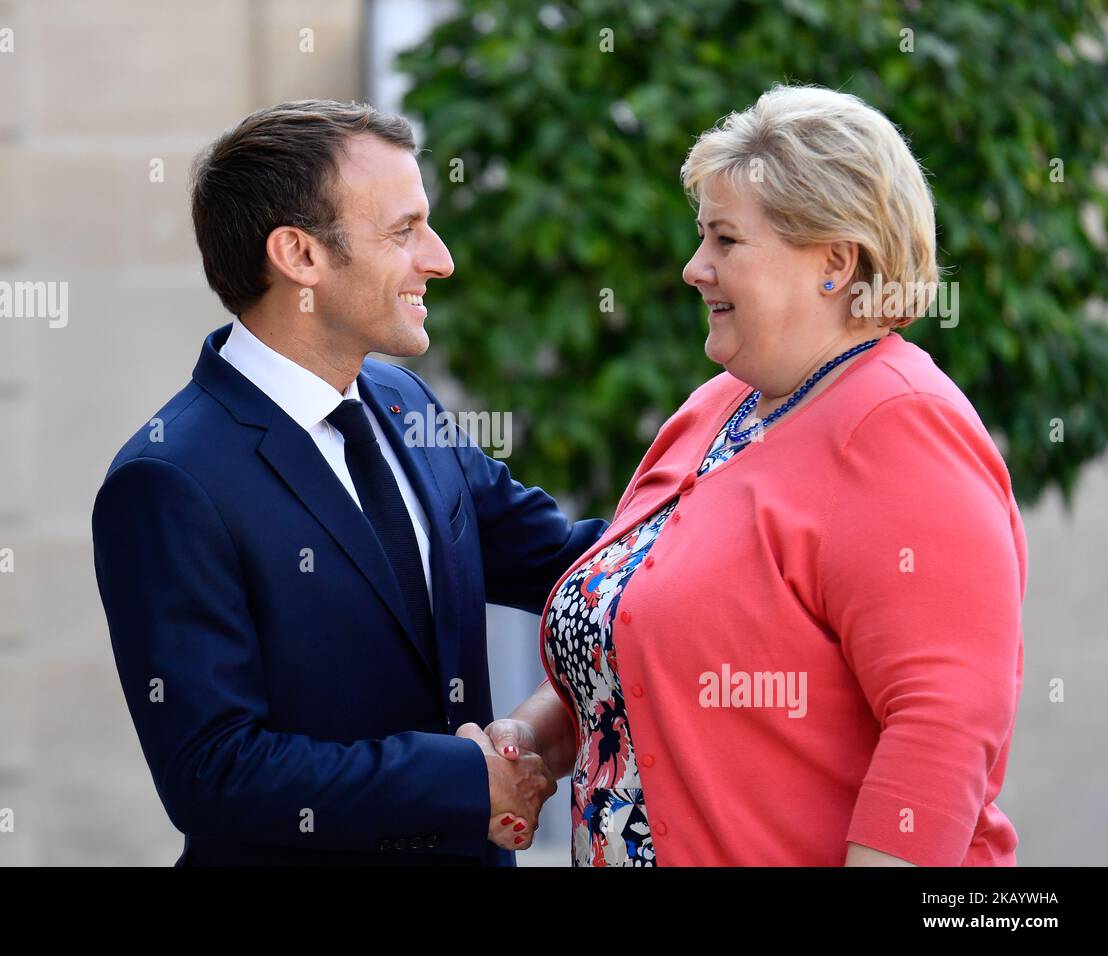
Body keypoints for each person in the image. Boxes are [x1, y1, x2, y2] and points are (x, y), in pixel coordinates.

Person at [482, 84, 1026, 867]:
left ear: (836, 263)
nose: (692, 267)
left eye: (725, 241)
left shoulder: (901, 421)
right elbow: (635, 634)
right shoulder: (718, 406)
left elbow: (944, 721)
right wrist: (533, 734)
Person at [91, 100, 607, 866]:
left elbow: (569, 559)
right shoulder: (167, 481)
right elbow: (212, 771)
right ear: (300, 256)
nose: (440, 258)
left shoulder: (405, 402)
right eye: (404, 231)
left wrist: (757, 496)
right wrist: (463, 779)